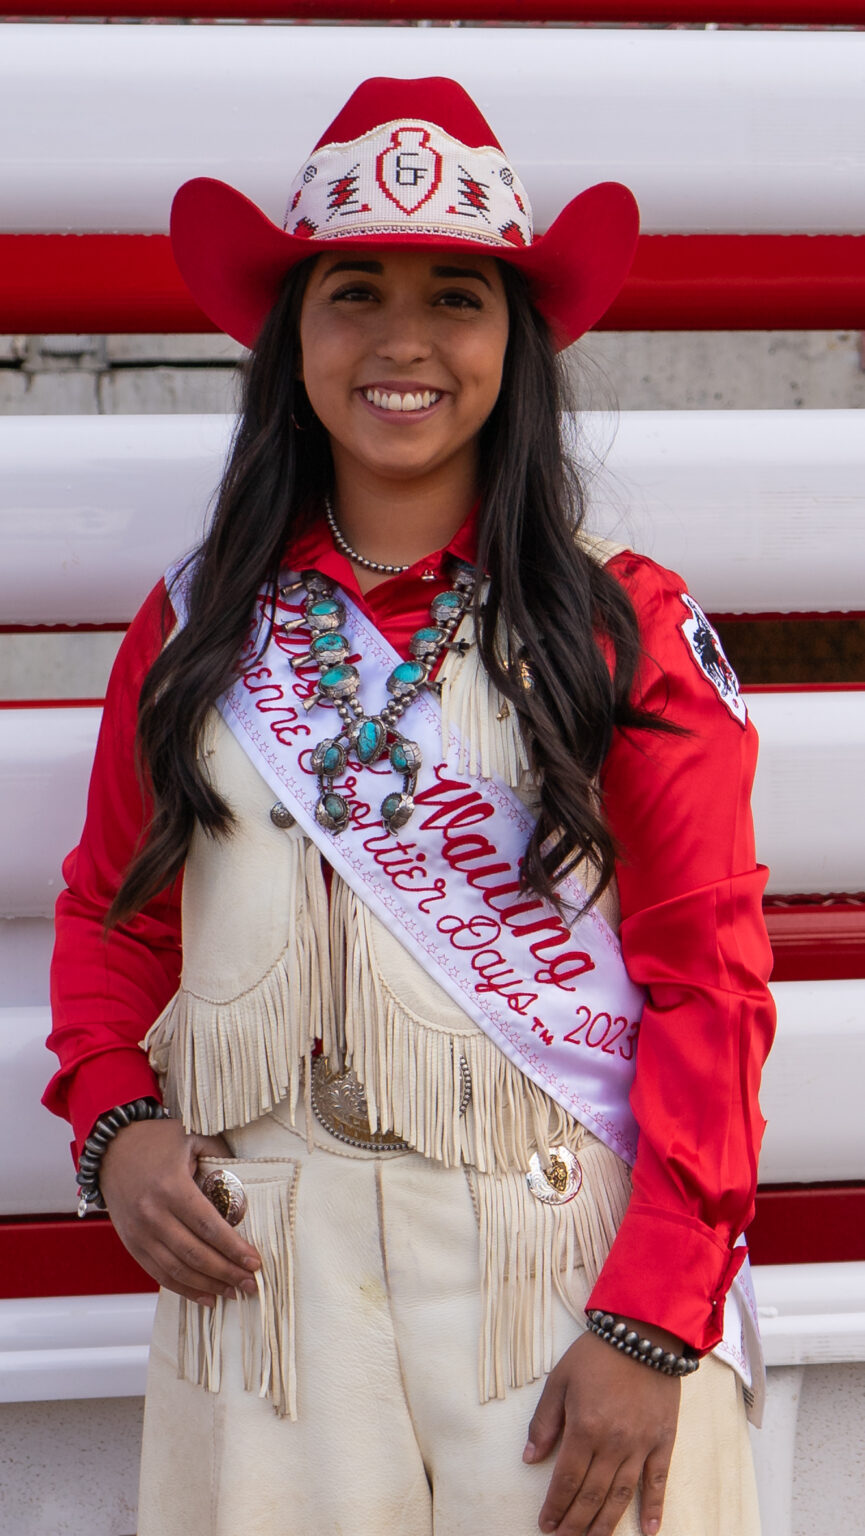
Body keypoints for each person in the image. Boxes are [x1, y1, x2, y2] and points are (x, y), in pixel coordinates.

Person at [44, 76, 775, 1536]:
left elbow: (709, 980)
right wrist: (115, 1125)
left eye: (457, 296)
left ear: (516, 341)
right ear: (291, 339)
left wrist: (648, 1321)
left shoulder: (618, 625)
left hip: (553, 1262)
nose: (402, 340)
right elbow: (109, 913)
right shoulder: (195, 625)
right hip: (264, 1277)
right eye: (351, 292)